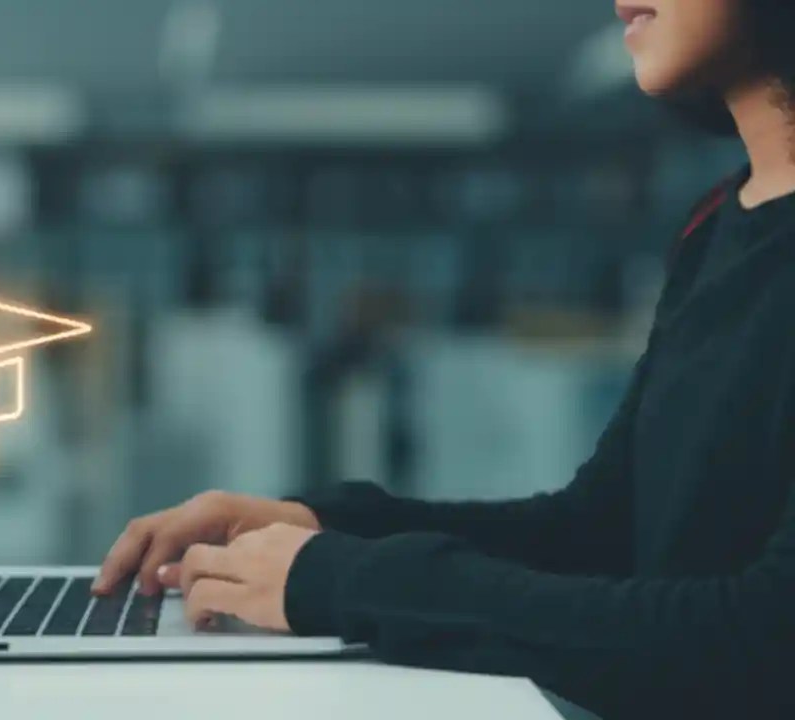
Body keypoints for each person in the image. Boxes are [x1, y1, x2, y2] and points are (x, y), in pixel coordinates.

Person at [92, 1, 795, 717]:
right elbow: (602, 532)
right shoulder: (716, 224)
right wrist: (321, 527)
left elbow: (761, 638)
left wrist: (348, 583)